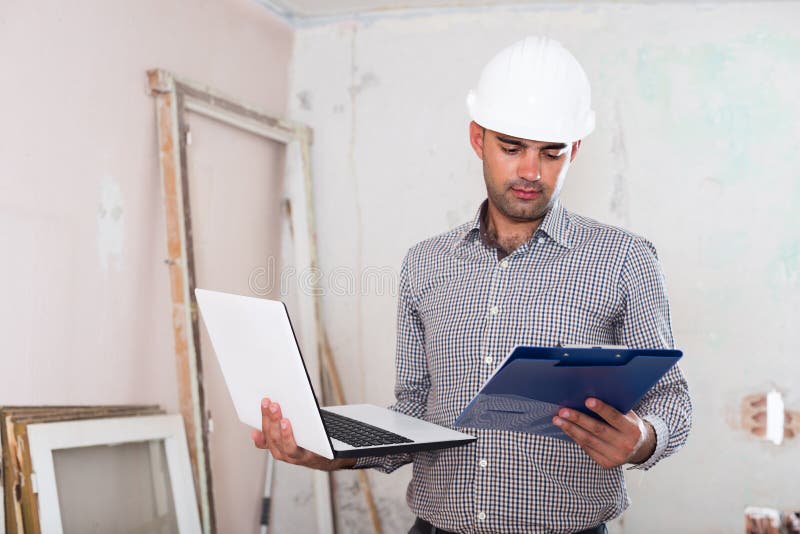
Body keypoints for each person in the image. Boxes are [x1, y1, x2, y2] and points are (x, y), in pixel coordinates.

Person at [252, 36, 692, 534]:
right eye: (511, 147)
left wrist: (643, 439)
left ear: (576, 150)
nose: (531, 171)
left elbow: (671, 397)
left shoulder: (623, 259)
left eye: (552, 153)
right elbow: (415, 408)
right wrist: (331, 452)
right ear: (477, 138)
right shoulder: (426, 264)